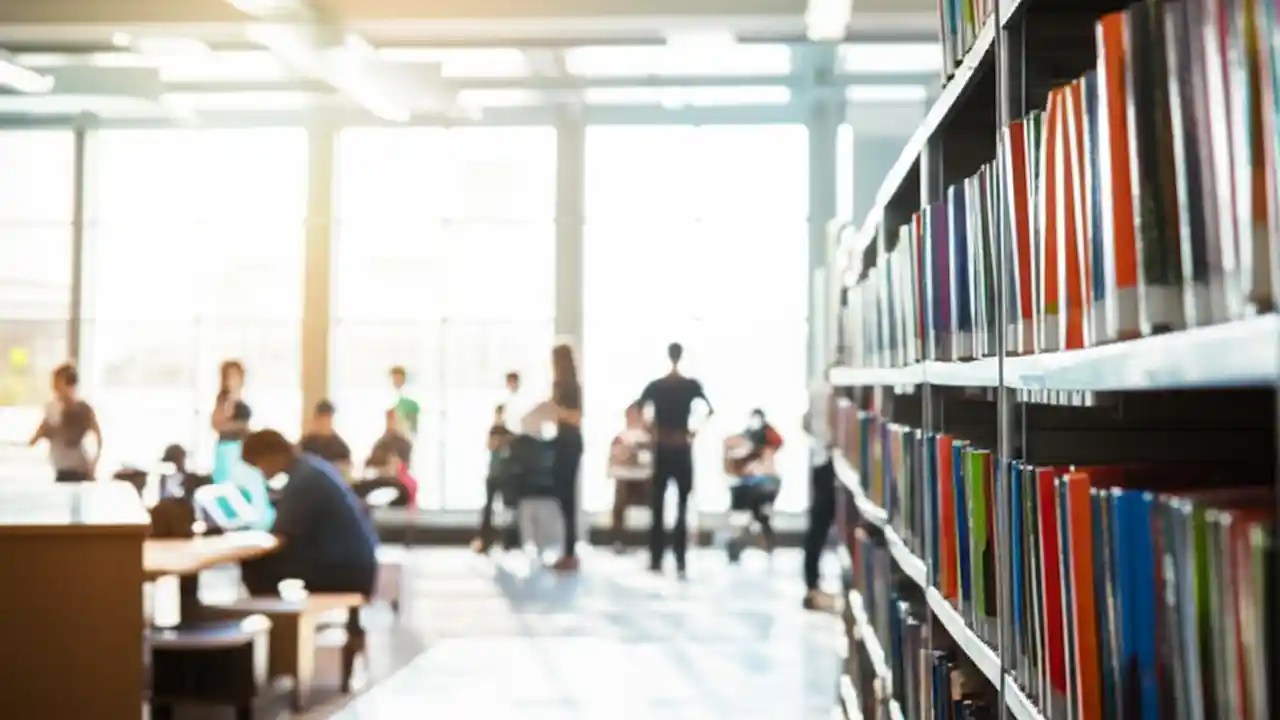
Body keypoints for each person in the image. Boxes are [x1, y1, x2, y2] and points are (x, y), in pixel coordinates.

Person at [238, 430, 379, 597]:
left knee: (256, 563)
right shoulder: (311, 469)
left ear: (271, 455)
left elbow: (281, 534)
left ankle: (276, 618)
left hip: (343, 570)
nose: (262, 473)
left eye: (259, 465)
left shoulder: (304, 481)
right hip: (356, 564)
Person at [638, 342, 713, 577]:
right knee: (681, 505)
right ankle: (679, 558)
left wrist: (651, 430)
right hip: (681, 446)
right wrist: (693, 431)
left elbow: (638, 409)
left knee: (659, 506)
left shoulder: (657, 386)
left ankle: (657, 557)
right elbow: (709, 409)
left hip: (663, 446)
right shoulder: (689, 386)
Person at [28, 363, 101, 483]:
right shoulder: (53, 410)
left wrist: (94, 463)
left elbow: (98, 438)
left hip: (79, 471)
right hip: (61, 470)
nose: (55, 388)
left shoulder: (83, 409)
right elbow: (34, 440)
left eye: (58, 383)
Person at [802, 382, 838, 611]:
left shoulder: (817, 390)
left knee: (817, 526)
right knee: (820, 524)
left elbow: (804, 423)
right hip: (827, 460)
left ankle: (812, 584)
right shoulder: (831, 392)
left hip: (819, 458)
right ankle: (812, 586)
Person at [547, 344, 583, 572]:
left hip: (569, 443)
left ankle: (570, 553)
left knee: (567, 498)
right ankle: (568, 551)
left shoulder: (569, 386)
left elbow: (575, 417)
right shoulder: (561, 385)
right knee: (563, 499)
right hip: (563, 442)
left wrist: (554, 410)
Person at [607, 402, 652, 551]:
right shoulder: (620, 437)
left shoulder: (649, 436)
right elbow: (614, 459)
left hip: (645, 479)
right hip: (625, 478)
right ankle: (619, 539)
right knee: (620, 499)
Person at [472, 404, 514, 553]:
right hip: (493, 474)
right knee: (488, 508)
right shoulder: (493, 431)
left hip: (505, 475)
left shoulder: (509, 433)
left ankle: (507, 541)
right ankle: (485, 539)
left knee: (507, 508)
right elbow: (490, 446)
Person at [299, 399, 353, 478]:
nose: (325, 421)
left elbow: (346, 467)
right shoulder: (306, 443)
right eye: (322, 417)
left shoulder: (340, 446)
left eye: (328, 417)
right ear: (316, 418)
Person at [389, 366, 420, 437]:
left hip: (405, 436)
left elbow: (413, 428)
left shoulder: (410, 402)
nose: (396, 382)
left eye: (398, 379)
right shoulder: (392, 399)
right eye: (394, 379)